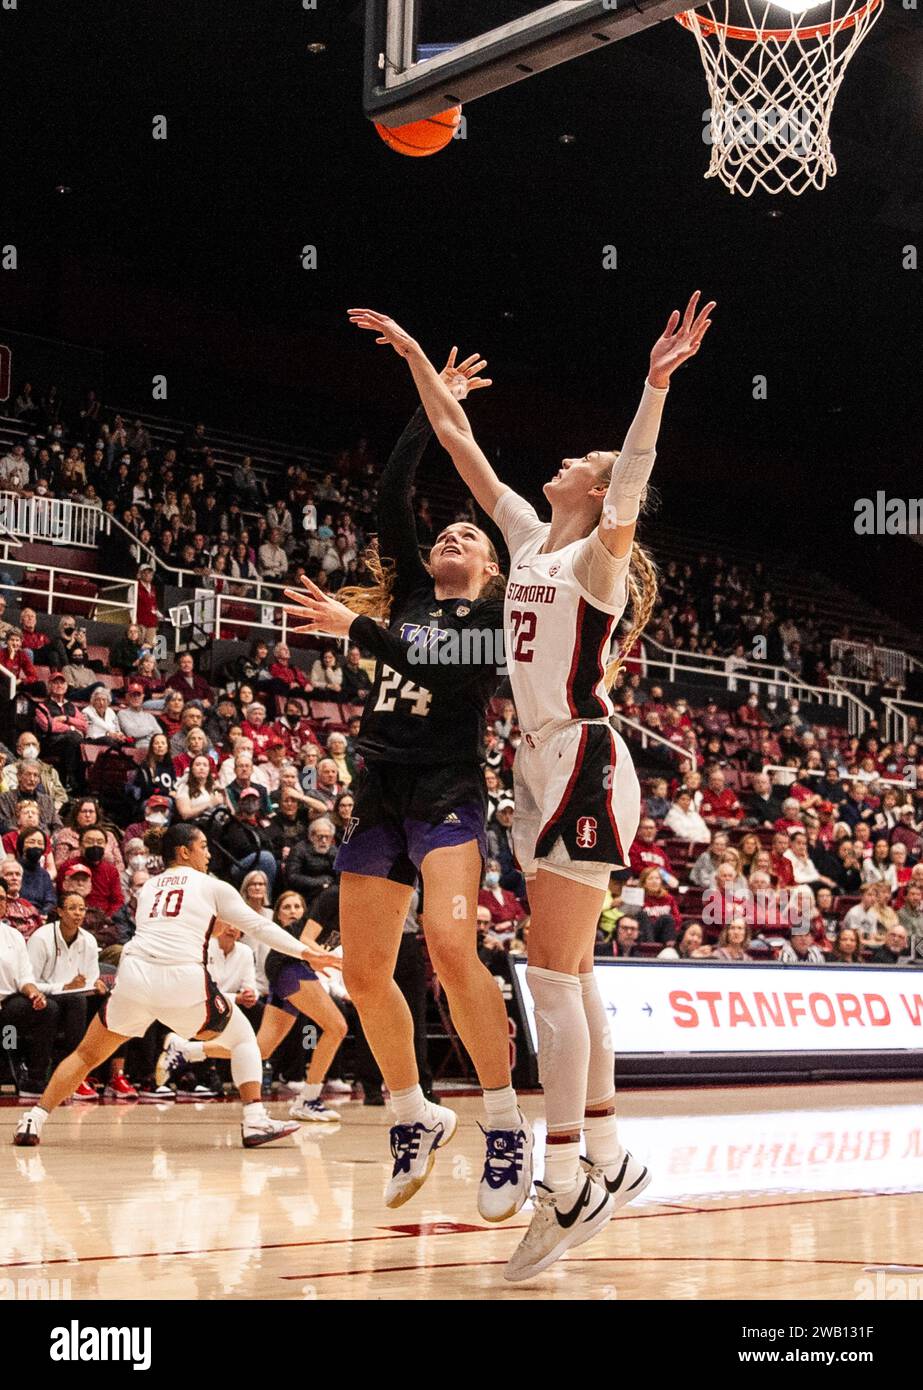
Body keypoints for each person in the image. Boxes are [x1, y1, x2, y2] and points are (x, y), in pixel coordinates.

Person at [348, 293, 713, 1279]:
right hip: (542, 766)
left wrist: (651, 387)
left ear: (596, 493)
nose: (565, 462)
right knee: (572, 976)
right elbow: (460, 439)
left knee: (547, 976)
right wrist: (416, 354)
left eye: (582, 465)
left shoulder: (597, 555)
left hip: (586, 760)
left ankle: (558, 1186)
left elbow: (632, 472)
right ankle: (602, 1152)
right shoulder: (526, 534)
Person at [284, 346, 530, 1225]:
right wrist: (432, 407)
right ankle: (411, 1110)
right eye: (445, 534)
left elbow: (439, 667)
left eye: (469, 536)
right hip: (381, 789)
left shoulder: (494, 622)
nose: (450, 537)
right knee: (363, 967)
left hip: (450, 790)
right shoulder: (404, 602)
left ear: (494, 571)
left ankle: (504, 1125)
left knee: (454, 949)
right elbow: (392, 494)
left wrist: (356, 627)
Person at [13, 824, 322, 1149]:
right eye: (203, 846)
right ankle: (255, 1119)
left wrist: (212, 929)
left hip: (134, 978)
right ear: (184, 851)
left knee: (86, 1054)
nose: (209, 853)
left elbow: (175, 925)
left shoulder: (149, 887)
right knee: (244, 1038)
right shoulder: (212, 885)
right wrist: (306, 952)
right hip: (180, 980)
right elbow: (259, 926)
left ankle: (34, 1119)